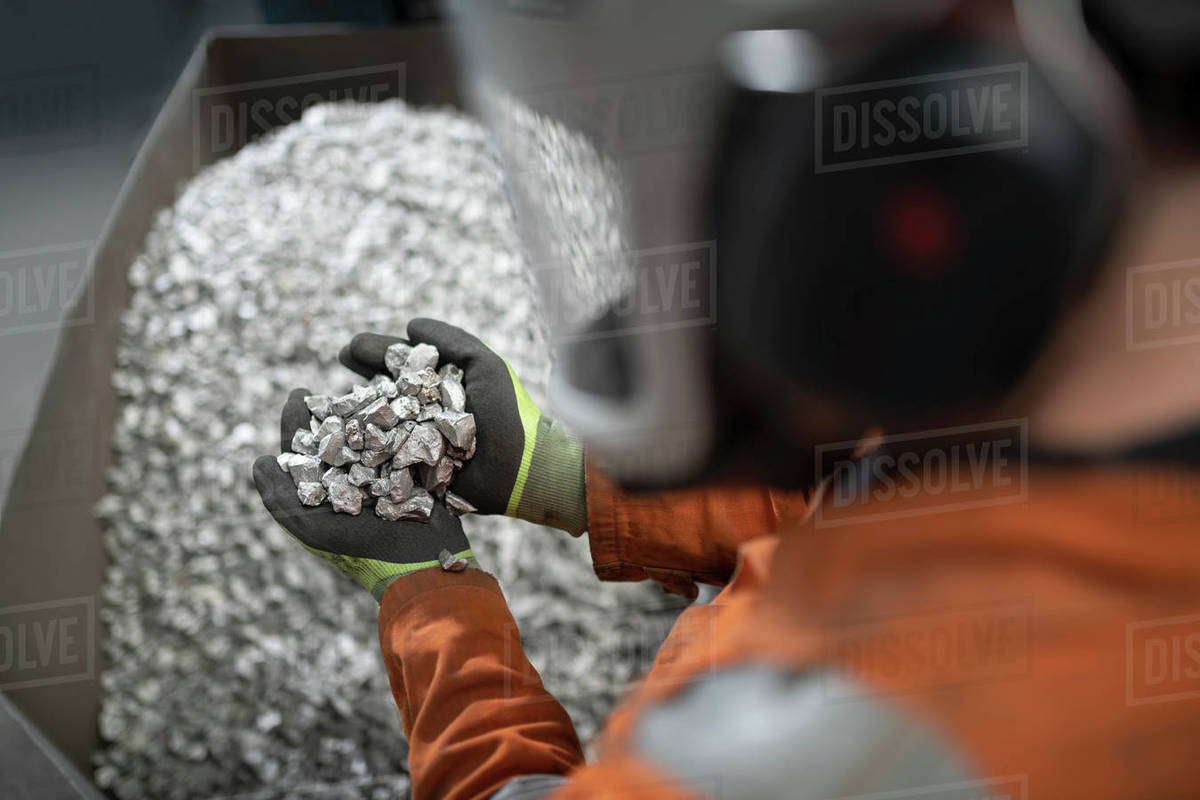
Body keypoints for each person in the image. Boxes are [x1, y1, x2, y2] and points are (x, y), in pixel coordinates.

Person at [253, 0, 1200, 797]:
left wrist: (433, 609)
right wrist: (570, 487)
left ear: (909, 195)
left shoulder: (841, 750)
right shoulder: (1050, 366)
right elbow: (869, 502)